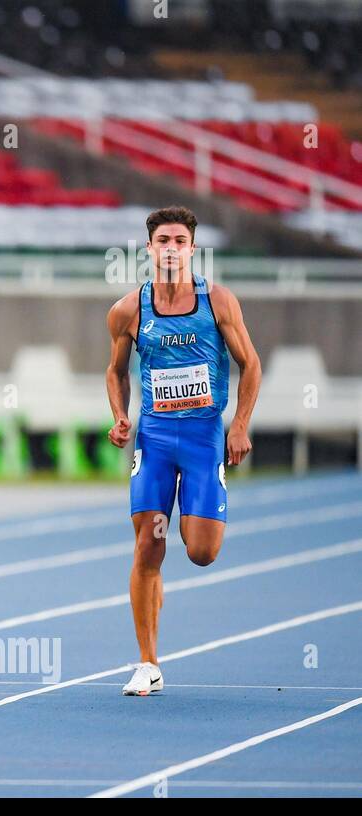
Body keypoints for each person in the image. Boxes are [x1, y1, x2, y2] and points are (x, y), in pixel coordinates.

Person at [106, 206, 261, 696]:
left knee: (200, 552)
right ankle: (147, 662)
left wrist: (239, 424)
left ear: (192, 250)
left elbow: (251, 364)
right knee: (148, 545)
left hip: (202, 438)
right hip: (154, 439)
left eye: (179, 241)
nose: (170, 249)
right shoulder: (129, 309)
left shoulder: (218, 302)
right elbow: (114, 371)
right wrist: (119, 414)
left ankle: (165, 585)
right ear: (148, 250)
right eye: (162, 241)